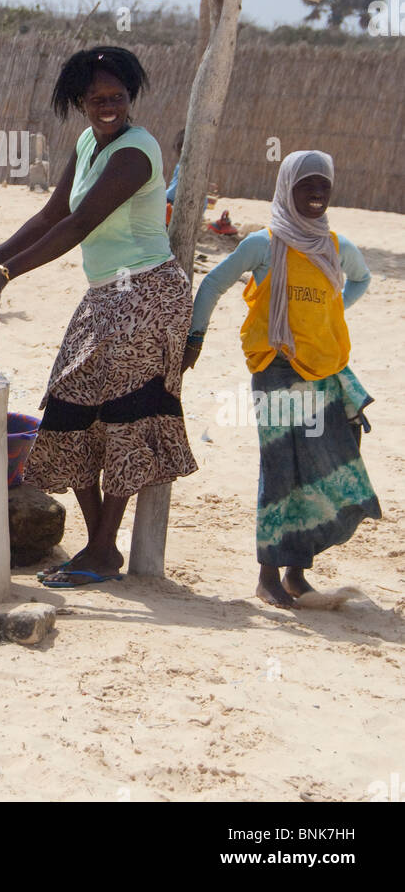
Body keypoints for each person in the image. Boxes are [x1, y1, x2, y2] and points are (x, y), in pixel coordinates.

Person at [0, 47, 197, 588]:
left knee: (127, 416)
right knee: (68, 404)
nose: (108, 107)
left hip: (148, 294)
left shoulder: (136, 151)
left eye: (118, 97)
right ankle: (99, 548)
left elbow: (79, 224)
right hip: (106, 294)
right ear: (80, 102)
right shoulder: (87, 144)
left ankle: (103, 550)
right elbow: (51, 213)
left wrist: (7, 274)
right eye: (97, 99)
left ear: (131, 98)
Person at [184, 150, 380, 610]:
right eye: (305, 185)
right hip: (275, 369)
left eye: (323, 186)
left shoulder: (336, 246)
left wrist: (328, 318)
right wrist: (194, 340)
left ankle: (296, 573)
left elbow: (362, 280)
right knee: (280, 467)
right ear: (285, 188)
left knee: (323, 463)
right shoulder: (264, 244)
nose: (315, 193)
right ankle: (267, 575)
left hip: (325, 370)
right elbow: (212, 284)